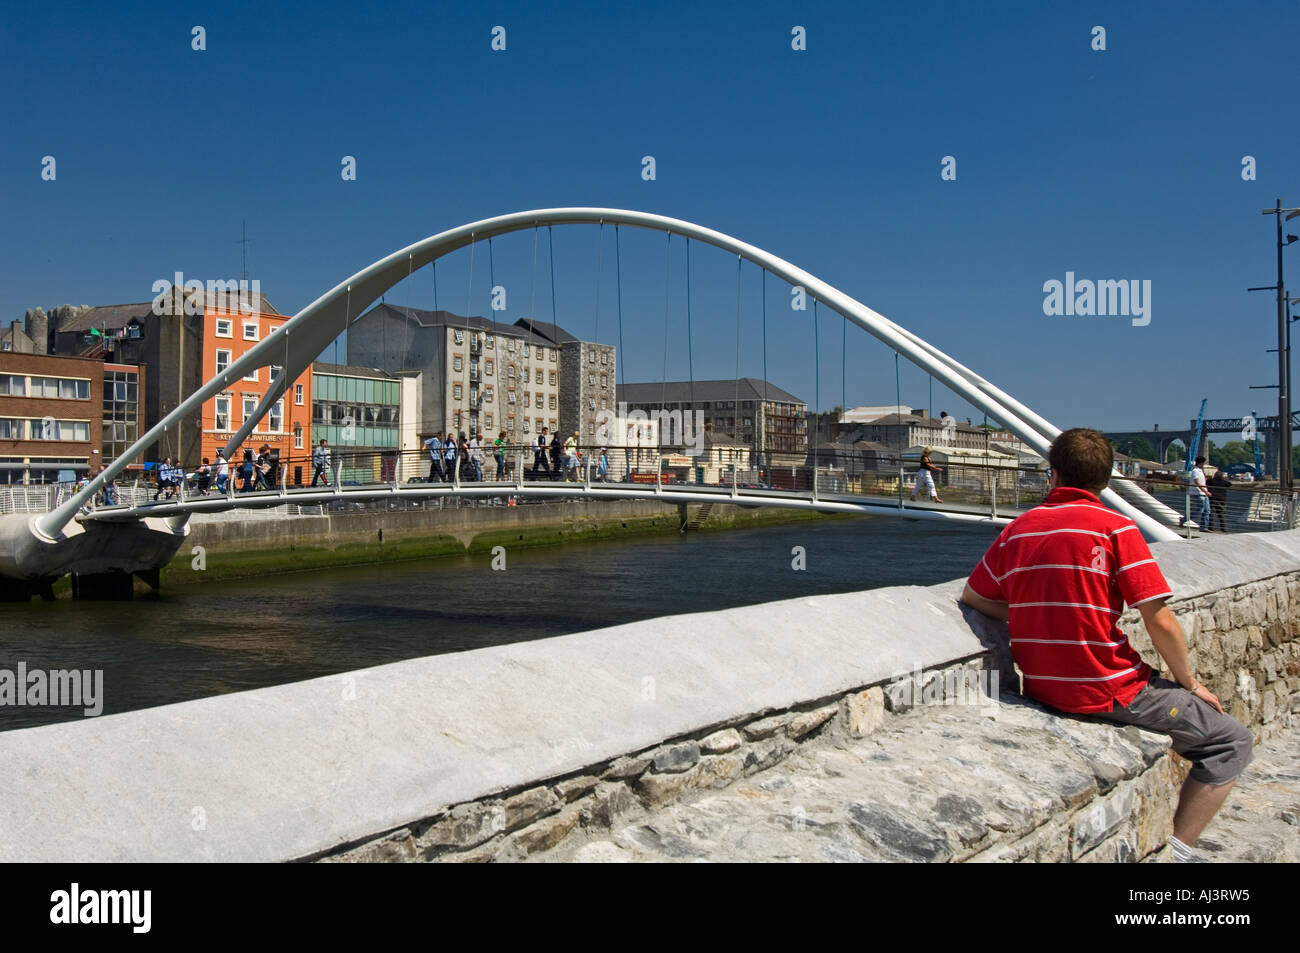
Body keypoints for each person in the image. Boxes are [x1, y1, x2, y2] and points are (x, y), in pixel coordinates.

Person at [961, 428, 1252, 863]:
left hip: (1043, 687)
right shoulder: (1115, 528)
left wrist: (1030, 611)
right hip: (1106, 688)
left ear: (1053, 474)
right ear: (1107, 479)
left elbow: (975, 597)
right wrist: (1190, 683)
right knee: (1231, 741)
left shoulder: (1019, 530)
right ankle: (1177, 851)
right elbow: (1160, 620)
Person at [1188, 456, 1211, 531]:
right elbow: (1197, 482)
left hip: (1203, 493)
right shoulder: (1195, 471)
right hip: (1198, 493)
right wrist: (1205, 491)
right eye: (1203, 463)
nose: (1203, 464)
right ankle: (1184, 519)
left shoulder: (1200, 471)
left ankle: (1204, 527)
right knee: (1200, 509)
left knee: (1207, 510)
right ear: (1201, 463)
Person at [1207, 466, 1232, 533]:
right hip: (1222, 500)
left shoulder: (1211, 481)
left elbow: (1206, 481)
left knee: (1212, 514)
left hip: (1212, 499)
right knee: (1221, 515)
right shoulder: (1224, 482)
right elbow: (1229, 484)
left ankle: (1211, 527)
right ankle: (1223, 529)